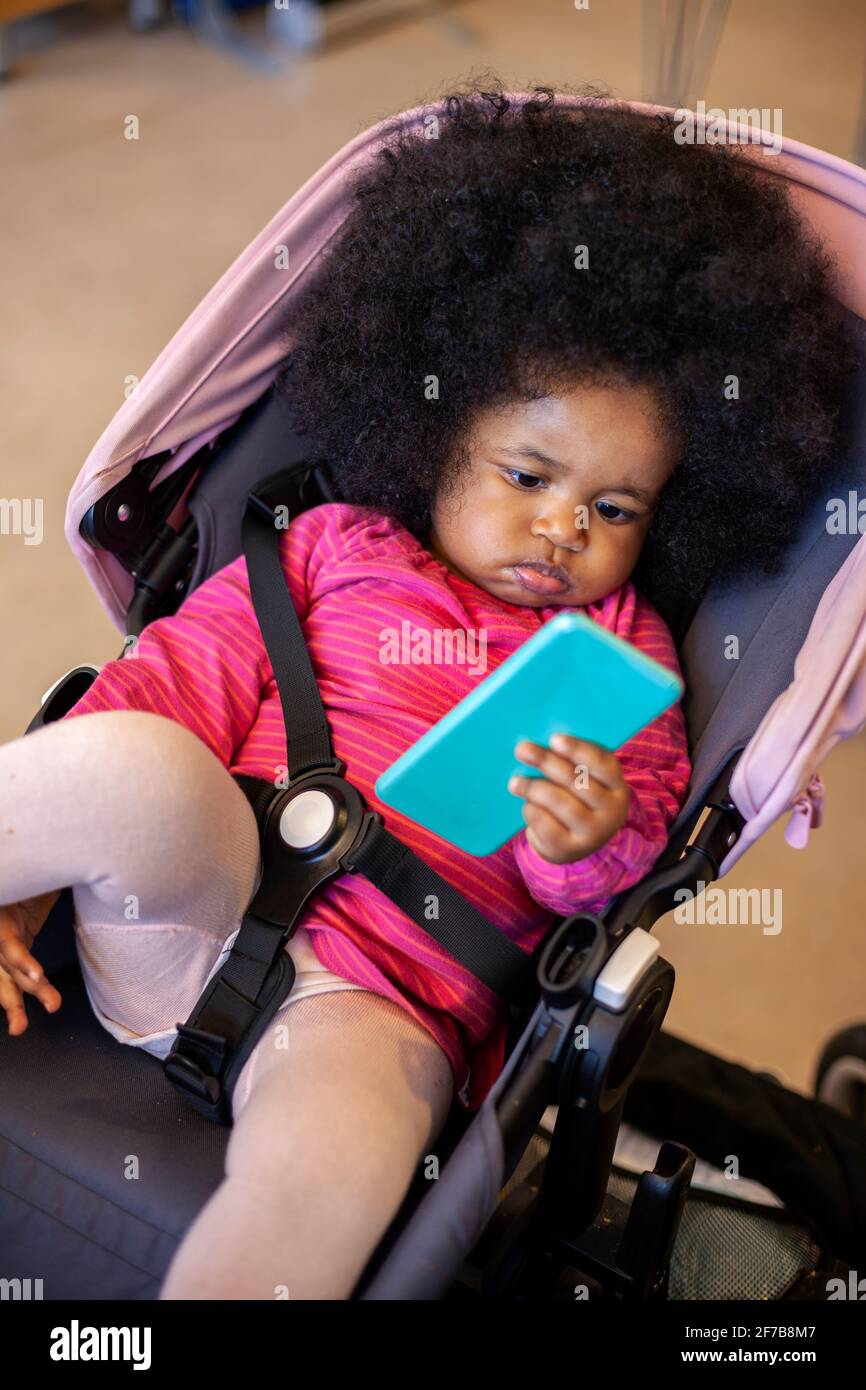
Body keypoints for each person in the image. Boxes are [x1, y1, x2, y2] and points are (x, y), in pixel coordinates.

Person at [0, 83, 857, 1300]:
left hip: (383, 1005)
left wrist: (585, 837)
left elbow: (608, 880)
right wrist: (32, 887)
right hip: (196, 894)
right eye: (527, 473)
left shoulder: (626, 666)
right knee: (132, 758)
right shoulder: (331, 549)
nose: (564, 526)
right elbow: (174, 681)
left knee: (339, 1163)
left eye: (613, 510)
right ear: (434, 434)